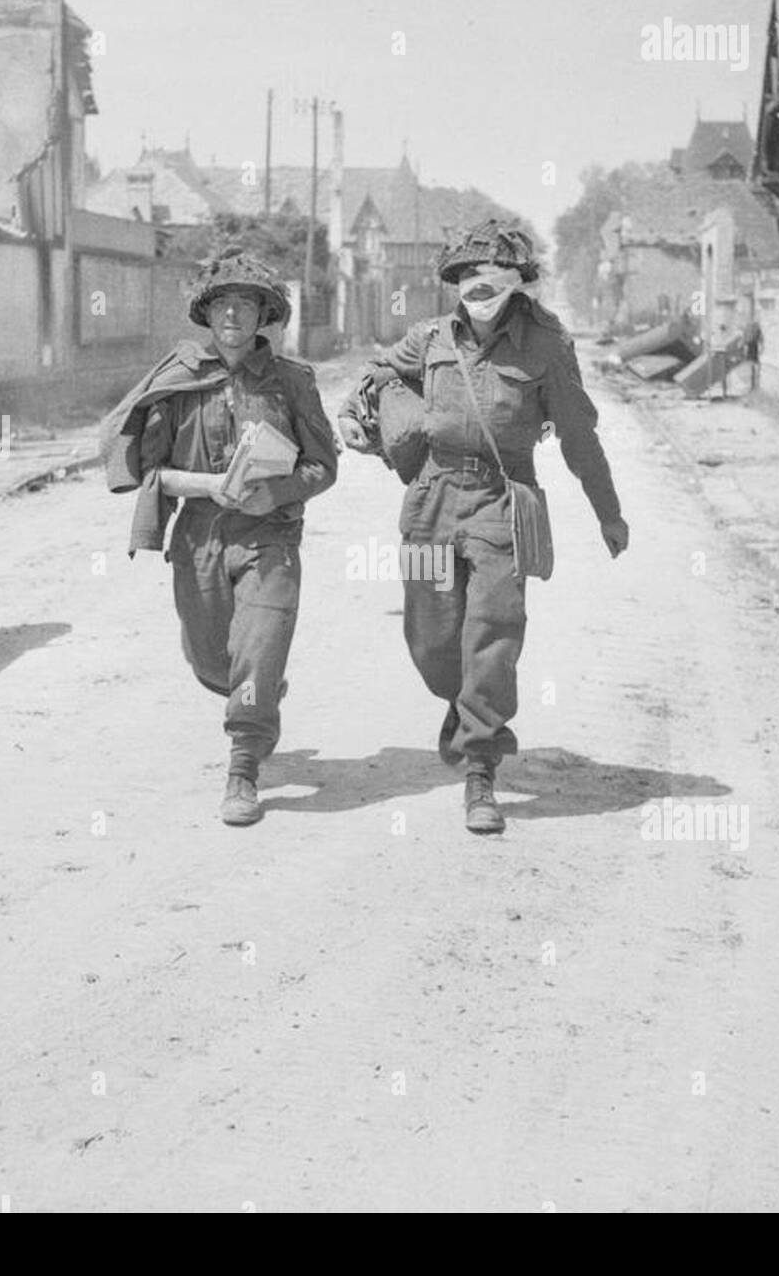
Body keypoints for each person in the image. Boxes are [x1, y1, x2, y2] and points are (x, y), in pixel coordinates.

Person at [338, 220, 628, 834]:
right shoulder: (430, 338)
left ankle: (480, 771)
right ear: (454, 285)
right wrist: (362, 415)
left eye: (491, 277)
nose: (478, 287)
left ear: (516, 285)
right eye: (467, 277)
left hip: (502, 500)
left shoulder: (547, 345)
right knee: (431, 641)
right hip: (431, 499)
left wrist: (608, 510)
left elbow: (578, 433)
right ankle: (460, 703)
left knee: (493, 636)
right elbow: (378, 374)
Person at [100, 248, 337, 826]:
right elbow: (151, 472)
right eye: (223, 304)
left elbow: (323, 466)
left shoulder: (292, 382)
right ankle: (252, 688)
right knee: (213, 660)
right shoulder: (177, 381)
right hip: (200, 539)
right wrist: (208, 484)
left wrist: (273, 494)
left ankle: (243, 769)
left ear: (264, 318)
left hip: (269, 540)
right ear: (208, 314)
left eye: (247, 305)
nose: (233, 314)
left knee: (257, 650)